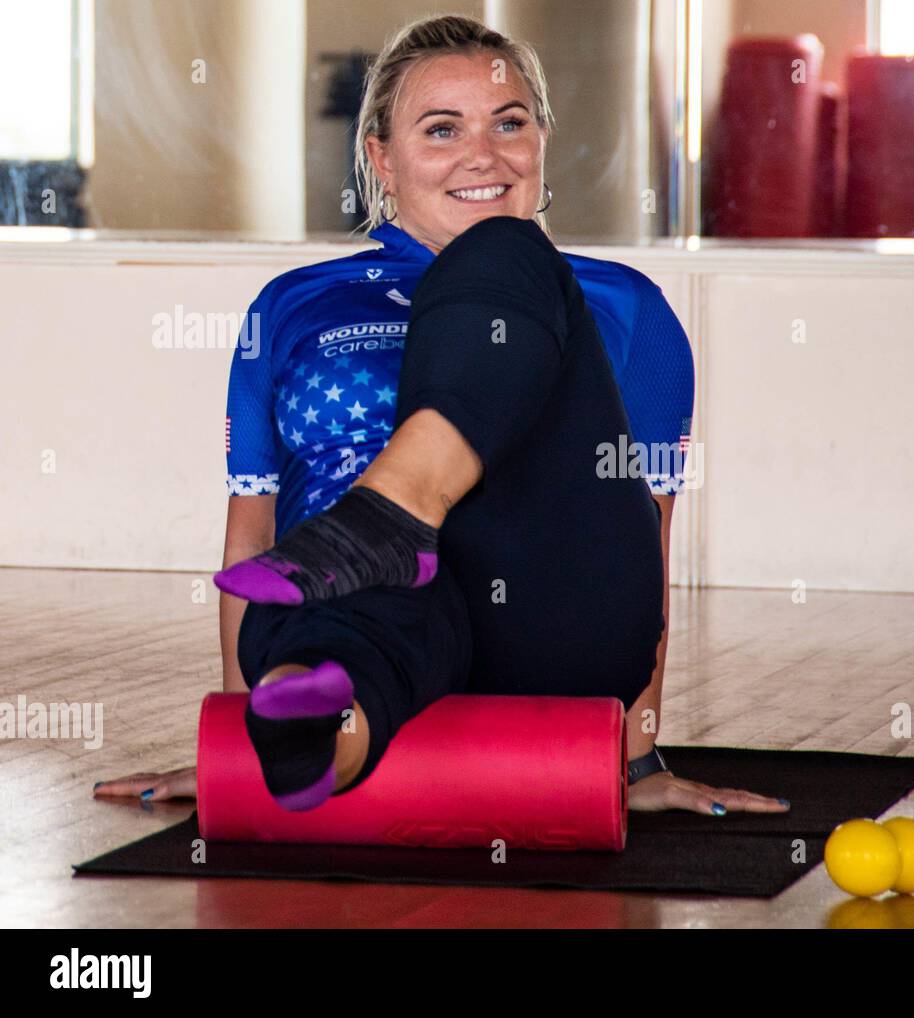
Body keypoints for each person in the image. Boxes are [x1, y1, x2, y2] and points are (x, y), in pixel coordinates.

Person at [94, 14, 789, 818]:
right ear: (381, 160)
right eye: (441, 129)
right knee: (355, 614)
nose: (482, 155)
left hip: (548, 624)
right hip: (361, 619)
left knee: (508, 251)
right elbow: (251, 535)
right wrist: (232, 748)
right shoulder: (291, 307)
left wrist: (634, 761)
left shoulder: (626, 309)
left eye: (509, 123)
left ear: (542, 142)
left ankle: (387, 518)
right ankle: (310, 734)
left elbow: (644, 538)